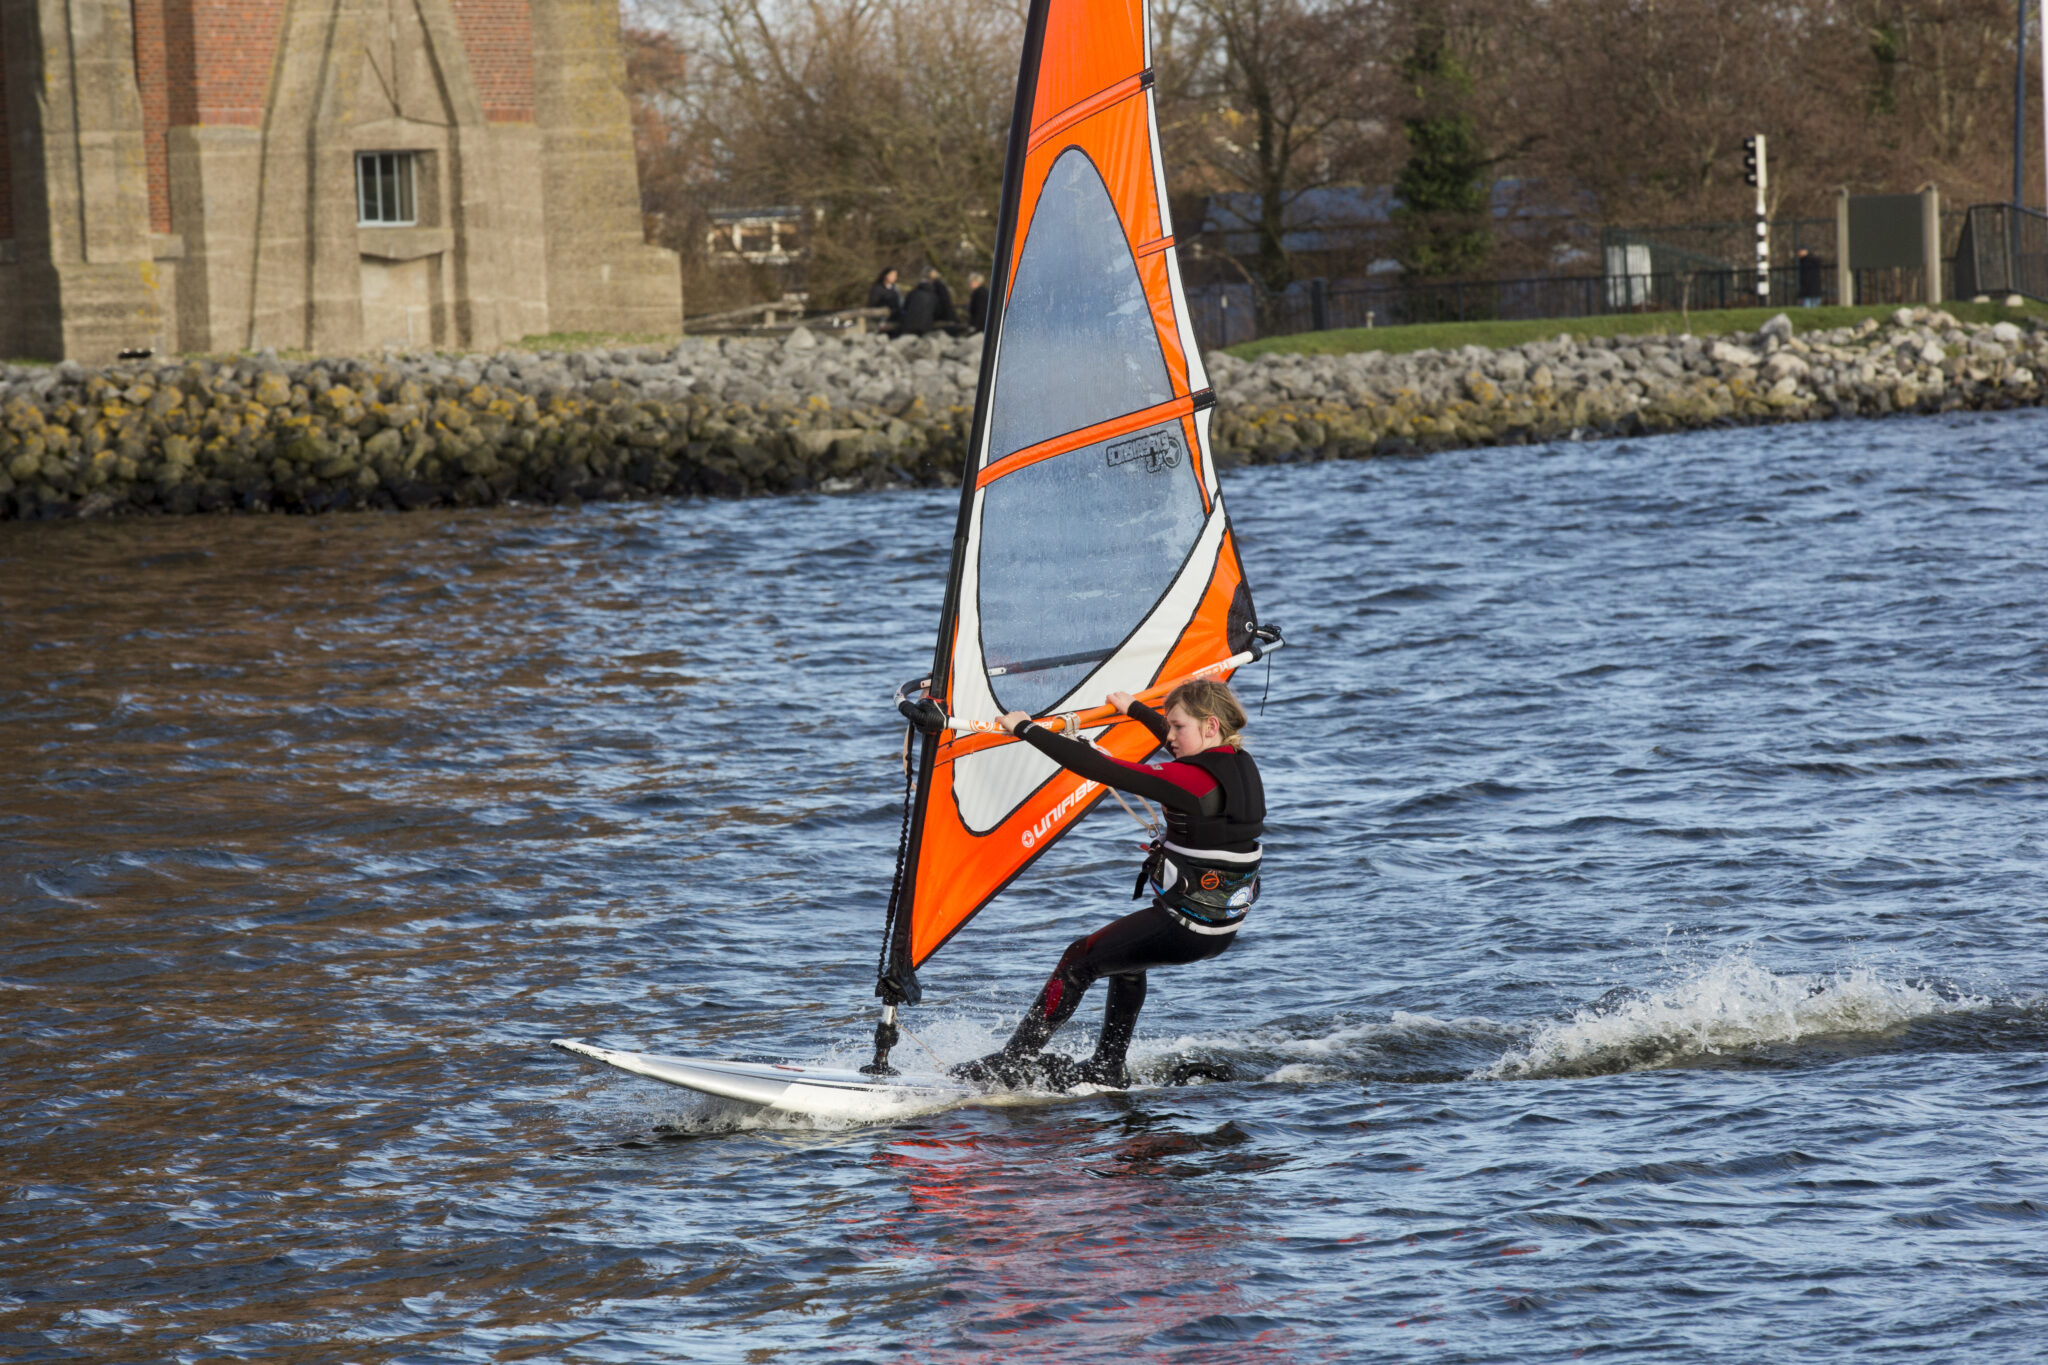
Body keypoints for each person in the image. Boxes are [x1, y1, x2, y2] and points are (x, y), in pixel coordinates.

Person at [956, 678, 1265, 1090]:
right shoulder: (1239, 763)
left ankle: (1014, 1061)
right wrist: (1136, 711)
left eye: (1177, 727)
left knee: (1078, 959)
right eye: (1168, 726)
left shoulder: (1190, 782)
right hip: (1217, 929)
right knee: (1125, 960)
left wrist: (1024, 729)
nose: (1169, 736)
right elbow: (1185, 751)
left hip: (1184, 928)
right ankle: (1107, 1066)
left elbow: (1101, 768)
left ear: (1210, 727)